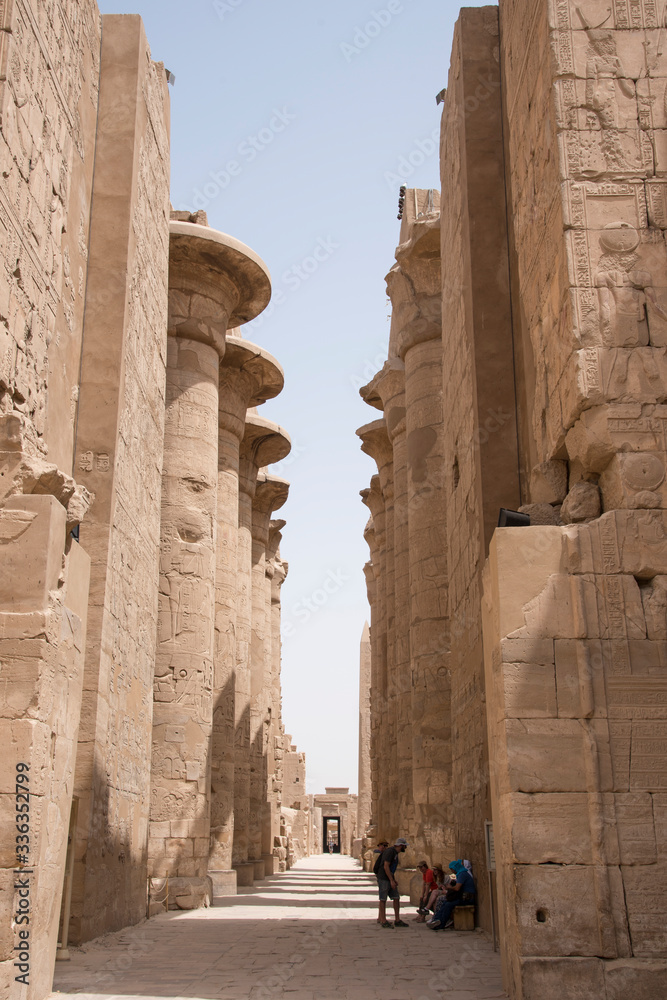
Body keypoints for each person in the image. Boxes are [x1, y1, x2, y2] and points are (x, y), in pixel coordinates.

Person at [427, 859, 475, 930]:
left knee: (448, 904)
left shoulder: (462, 874)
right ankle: (436, 919)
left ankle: (441, 923)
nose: (452, 871)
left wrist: (449, 887)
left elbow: (457, 888)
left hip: (467, 898)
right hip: (463, 897)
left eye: (452, 869)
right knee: (446, 903)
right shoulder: (460, 874)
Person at [375, 837, 410, 928]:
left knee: (396, 897)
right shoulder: (390, 852)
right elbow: (386, 866)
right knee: (383, 899)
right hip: (383, 878)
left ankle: (397, 919)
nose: (405, 848)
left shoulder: (395, 853)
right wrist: (391, 880)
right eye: (404, 846)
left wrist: (393, 880)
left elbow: (391, 869)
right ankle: (383, 920)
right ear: (400, 846)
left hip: (389, 878)